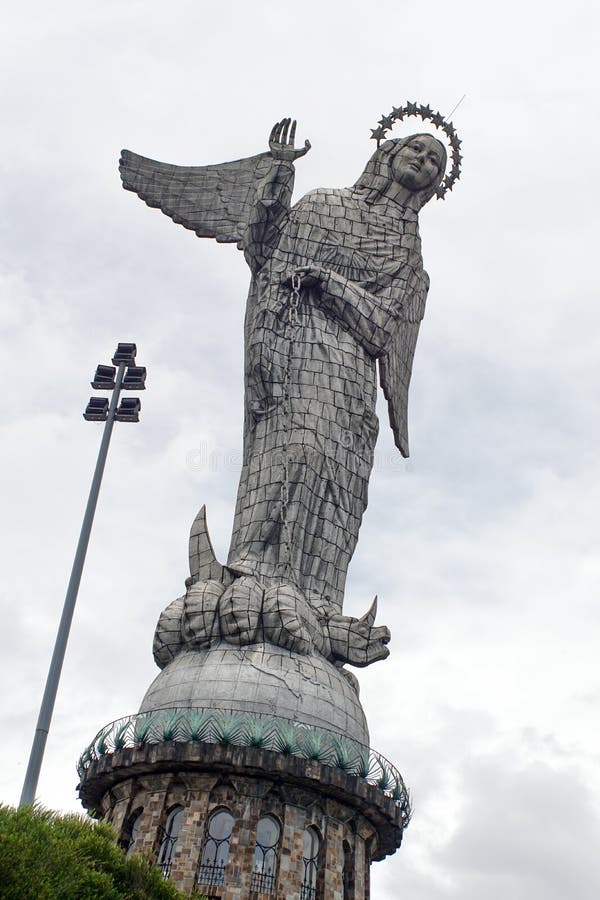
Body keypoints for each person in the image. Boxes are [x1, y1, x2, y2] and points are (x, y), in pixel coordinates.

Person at [224, 121, 447, 614]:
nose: (425, 160)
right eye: (417, 148)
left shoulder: (409, 254)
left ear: (435, 184)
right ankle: (253, 566)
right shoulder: (326, 204)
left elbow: (382, 328)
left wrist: (330, 283)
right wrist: (279, 175)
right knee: (296, 450)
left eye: (436, 160)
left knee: (340, 477)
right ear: (389, 153)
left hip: (352, 373)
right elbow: (268, 257)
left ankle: (314, 592)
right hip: (297, 344)